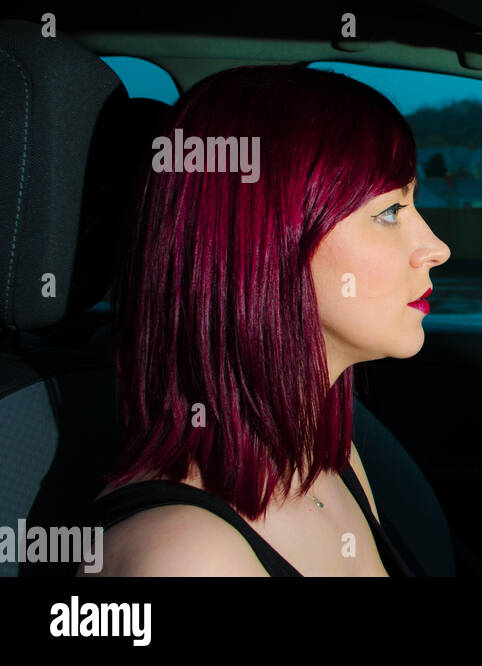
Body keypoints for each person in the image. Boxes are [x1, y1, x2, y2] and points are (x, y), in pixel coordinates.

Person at [77, 64, 451, 576]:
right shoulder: (186, 558)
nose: (436, 248)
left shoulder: (329, 458)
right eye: (389, 211)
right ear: (267, 244)